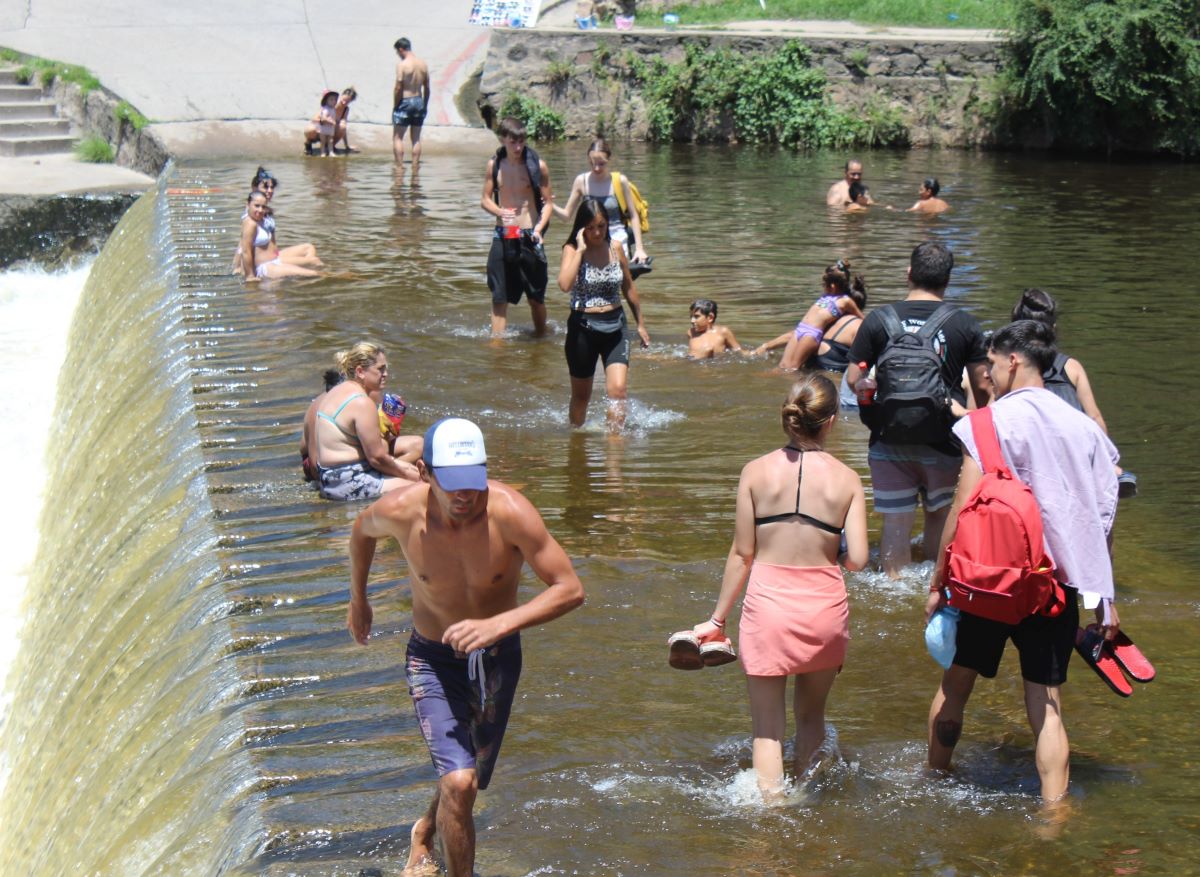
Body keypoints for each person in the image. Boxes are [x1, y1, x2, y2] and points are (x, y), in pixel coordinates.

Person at [346, 417, 585, 876]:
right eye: (452, 485)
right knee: (459, 782)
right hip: (432, 659)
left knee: (471, 779)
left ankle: (424, 832)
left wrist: (501, 623)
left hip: (497, 658)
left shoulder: (511, 512)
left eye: (472, 484)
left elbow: (570, 588)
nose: (464, 496)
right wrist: (359, 599)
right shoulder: (399, 510)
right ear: (424, 473)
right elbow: (360, 532)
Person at [924, 320, 1120, 805]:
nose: (986, 374)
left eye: (990, 364)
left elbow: (962, 508)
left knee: (956, 684)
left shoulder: (986, 423)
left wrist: (938, 582)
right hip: (1052, 588)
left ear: (1013, 361)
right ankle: (1053, 815)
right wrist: (1105, 600)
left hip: (989, 583)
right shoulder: (1083, 428)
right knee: (1047, 704)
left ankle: (934, 781)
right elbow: (1102, 517)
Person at [681, 375, 867, 801]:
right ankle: (808, 797)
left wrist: (717, 619)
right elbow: (856, 559)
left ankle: (774, 814)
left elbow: (742, 554)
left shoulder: (754, 472)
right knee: (811, 717)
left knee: (767, 728)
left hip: (768, 610)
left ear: (788, 417)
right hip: (825, 611)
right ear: (831, 422)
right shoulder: (849, 480)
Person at [847, 242, 989, 578]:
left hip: (888, 439)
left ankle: (895, 583)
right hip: (944, 439)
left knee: (896, 521)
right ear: (947, 280)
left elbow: (854, 378)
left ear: (909, 274)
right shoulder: (965, 324)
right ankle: (932, 585)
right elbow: (982, 387)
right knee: (940, 514)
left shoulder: (878, 320)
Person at [558, 197, 650, 430]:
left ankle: (614, 446)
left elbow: (628, 287)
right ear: (581, 228)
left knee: (618, 392)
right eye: (590, 228)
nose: (597, 233)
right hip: (583, 327)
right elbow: (564, 285)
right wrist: (580, 250)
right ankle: (576, 443)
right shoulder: (571, 249)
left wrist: (640, 323)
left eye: (601, 226)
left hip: (615, 326)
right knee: (581, 398)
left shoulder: (616, 248)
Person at [311, 342, 421, 500]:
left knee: (414, 470)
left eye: (386, 369)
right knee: (423, 487)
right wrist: (412, 475)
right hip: (349, 482)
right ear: (360, 372)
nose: (385, 374)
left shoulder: (336, 391)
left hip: (329, 479)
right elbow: (377, 458)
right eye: (380, 369)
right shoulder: (362, 402)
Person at [481, 116, 554, 337]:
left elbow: (549, 203)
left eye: (522, 141)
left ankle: (541, 337)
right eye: (513, 142)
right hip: (504, 231)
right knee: (499, 296)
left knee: (535, 297)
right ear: (502, 139)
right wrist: (500, 212)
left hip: (529, 232)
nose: (518, 147)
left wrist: (539, 230)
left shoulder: (537, 166)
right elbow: (485, 199)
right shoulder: (494, 165)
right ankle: (497, 346)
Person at [552, 138, 649, 268]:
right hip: (589, 237)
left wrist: (639, 249)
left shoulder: (620, 182)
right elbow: (566, 216)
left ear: (609, 160)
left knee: (618, 278)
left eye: (601, 164)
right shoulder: (582, 181)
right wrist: (549, 204)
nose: (596, 168)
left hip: (617, 236)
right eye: (592, 163)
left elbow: (633, 215)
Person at [755, 260, 867, 371]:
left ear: (832, 286)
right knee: (783, 366)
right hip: (800, 329)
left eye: (824, 285)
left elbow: (862, 317)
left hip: (811, 333)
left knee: (793, 368)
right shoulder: (825, 296)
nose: (823, 287)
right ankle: (765, 377)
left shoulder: (845, 301)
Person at [239, 191, 321, 282]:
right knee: (314, 273)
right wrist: (250, 276)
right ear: (248, 204)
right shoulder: (250, 223)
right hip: (265, 268)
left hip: (275, 259)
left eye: (263, 207)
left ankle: (305, 279)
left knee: (309, 250)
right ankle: (331, 276)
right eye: (257, 206)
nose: (260, 210)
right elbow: (245, 251)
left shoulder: (261, 219)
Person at [392, 37, 430, 165]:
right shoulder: (423, 64)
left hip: (406, 101)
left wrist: (395, 105)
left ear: (401, 49)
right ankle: (415, 168)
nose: (398, 55)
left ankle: (399, 167)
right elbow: (427, 88)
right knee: (416, 139)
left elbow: (398, 87)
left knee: (397, 138)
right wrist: (425, 105)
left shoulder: (402, 65)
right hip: (419, 101)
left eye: (398, 53)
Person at [305, 90, 338, 157]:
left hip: (330, 128)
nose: (334, 101)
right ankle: (323, 152)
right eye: (331, 100)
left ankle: (331, 152)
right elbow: (324, 118)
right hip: (324, 128)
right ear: (326, 101)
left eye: (335, 100)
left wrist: (334, 121)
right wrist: (331, 122)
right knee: (323, 141)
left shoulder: (333, 109)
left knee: (330, 141)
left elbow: (334, 117)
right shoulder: (325, 109)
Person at [333, 87, 358, 153]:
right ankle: (327, 146)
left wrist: (346, 146)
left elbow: (343, 129)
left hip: (333, 131)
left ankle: (331, 145)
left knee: (343, 127)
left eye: (347, 102)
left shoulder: (346, 109)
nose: (344, 103)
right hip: (323, 131)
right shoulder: (333, 106)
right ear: (341, 96)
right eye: (343, 100)